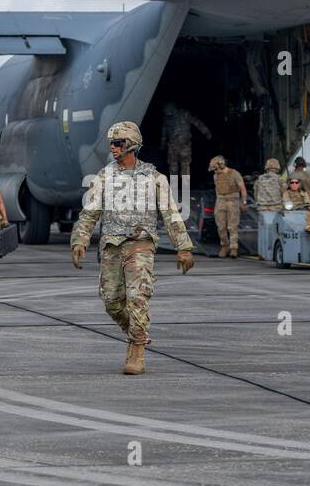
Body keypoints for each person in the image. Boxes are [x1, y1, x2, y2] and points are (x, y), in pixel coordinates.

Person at [70, 121, 194, 375]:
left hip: (140, 244)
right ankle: (138, 333)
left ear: (132, 146)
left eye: (118, 143)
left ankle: (136, 348)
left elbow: (170, 213)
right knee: (112, 302)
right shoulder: (104, 176)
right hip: (112, 246)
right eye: (112, 144)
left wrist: (183, 247)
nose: (113, 148)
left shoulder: (154, 178)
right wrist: (80, 239)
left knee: (138, 298)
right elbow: (90, 212)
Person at [160, 102, 212, 187]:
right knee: (173, 168)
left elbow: (197, 122)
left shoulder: (184, 114)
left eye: (169, 112)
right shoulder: (166, 119)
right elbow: (164, 133)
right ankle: (174, 189)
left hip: (185, 146)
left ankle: (185, 189)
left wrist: (206, 132)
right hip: (172, 147)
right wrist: (162, 145)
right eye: (166, 113)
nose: (168, 114)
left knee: (185, 167)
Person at [208, 154, 247, 257]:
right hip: (220, 201)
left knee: (232, 226)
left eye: (215, 168)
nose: (215, 171)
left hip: (233, 201)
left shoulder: (234, 174)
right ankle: (225, 246)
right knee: (221, 226)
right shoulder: (216, 176)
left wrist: (244, 202)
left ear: (221, 165)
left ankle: (234, 248)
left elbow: (242, 188)